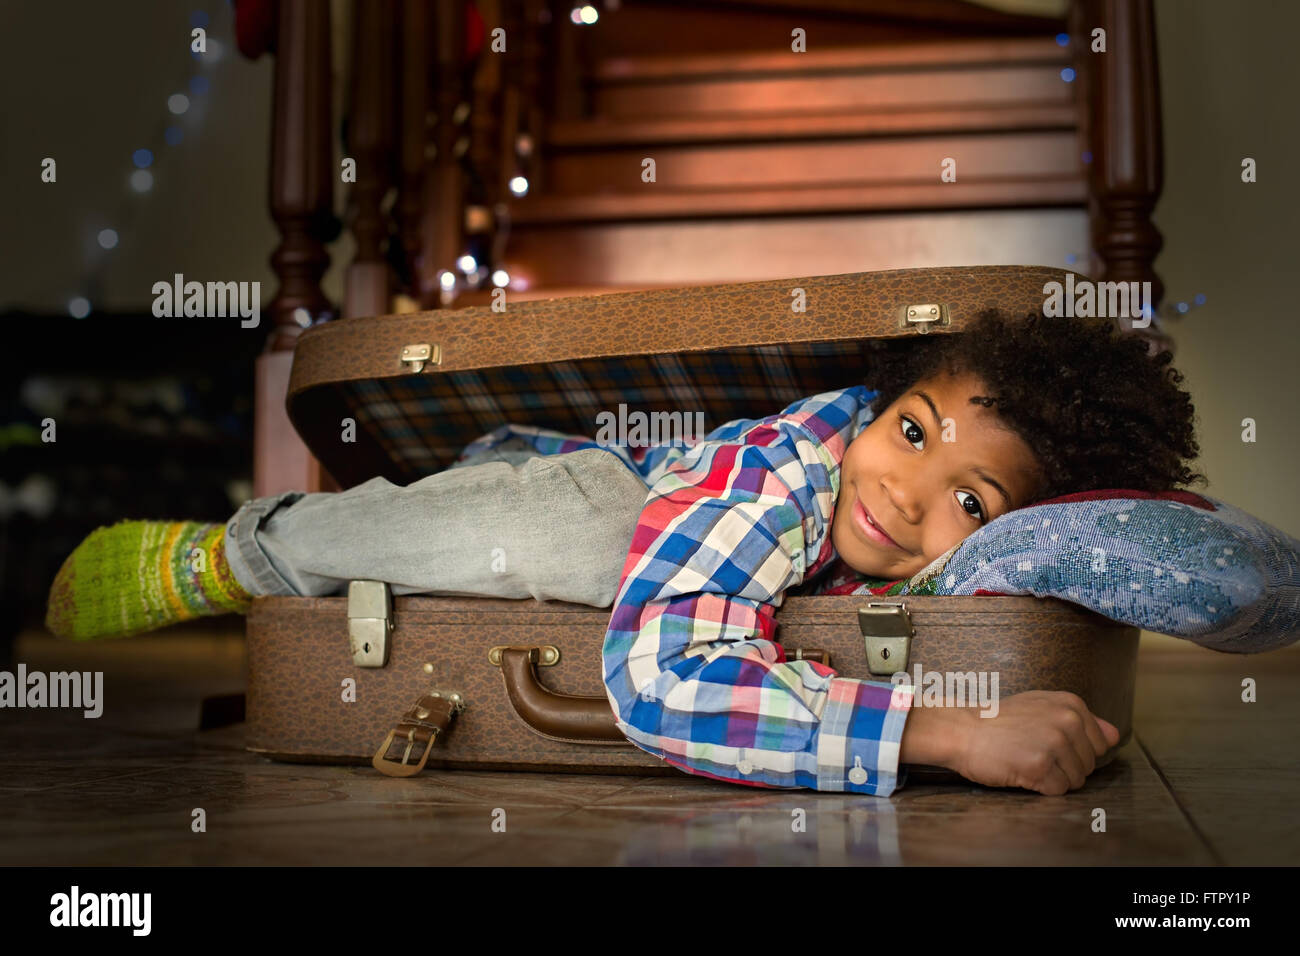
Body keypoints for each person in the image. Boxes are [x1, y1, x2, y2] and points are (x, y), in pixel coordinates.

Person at [45, 309, 1202, 796]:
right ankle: (243, 550)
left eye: (968, 497)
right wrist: (945, 728)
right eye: (910, 431)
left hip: (571, 528)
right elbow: (659, 675)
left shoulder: (953, 562)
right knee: (585, 532)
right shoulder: (790, 471)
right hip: (533, 496)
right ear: (880, 403)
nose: (903, 494)